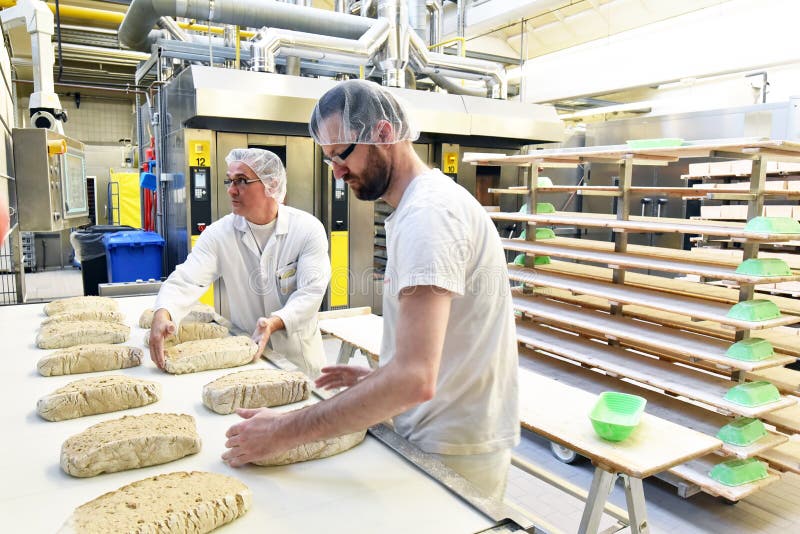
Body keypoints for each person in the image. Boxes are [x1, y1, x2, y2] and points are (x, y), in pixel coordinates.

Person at [222, 80, 519, 502]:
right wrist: (382, 377)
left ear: (382, 134)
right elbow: (429, 356)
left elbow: (415, 380)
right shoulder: (417, 209)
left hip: (455, 446)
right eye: (328, 161)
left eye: (341, 155)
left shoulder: (429, 216)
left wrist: (281, 432)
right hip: (441, 428)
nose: (337, 172)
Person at [149, 148, 330, 378]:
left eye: (242, 181)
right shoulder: (220, 233)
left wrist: (274, 323)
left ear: (271, 185)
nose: (231, 190)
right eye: (230, 180)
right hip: (249, 357)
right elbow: (187, 279)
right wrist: (163, 313)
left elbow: (311, 292)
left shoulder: (307, 229)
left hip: (300, 360)